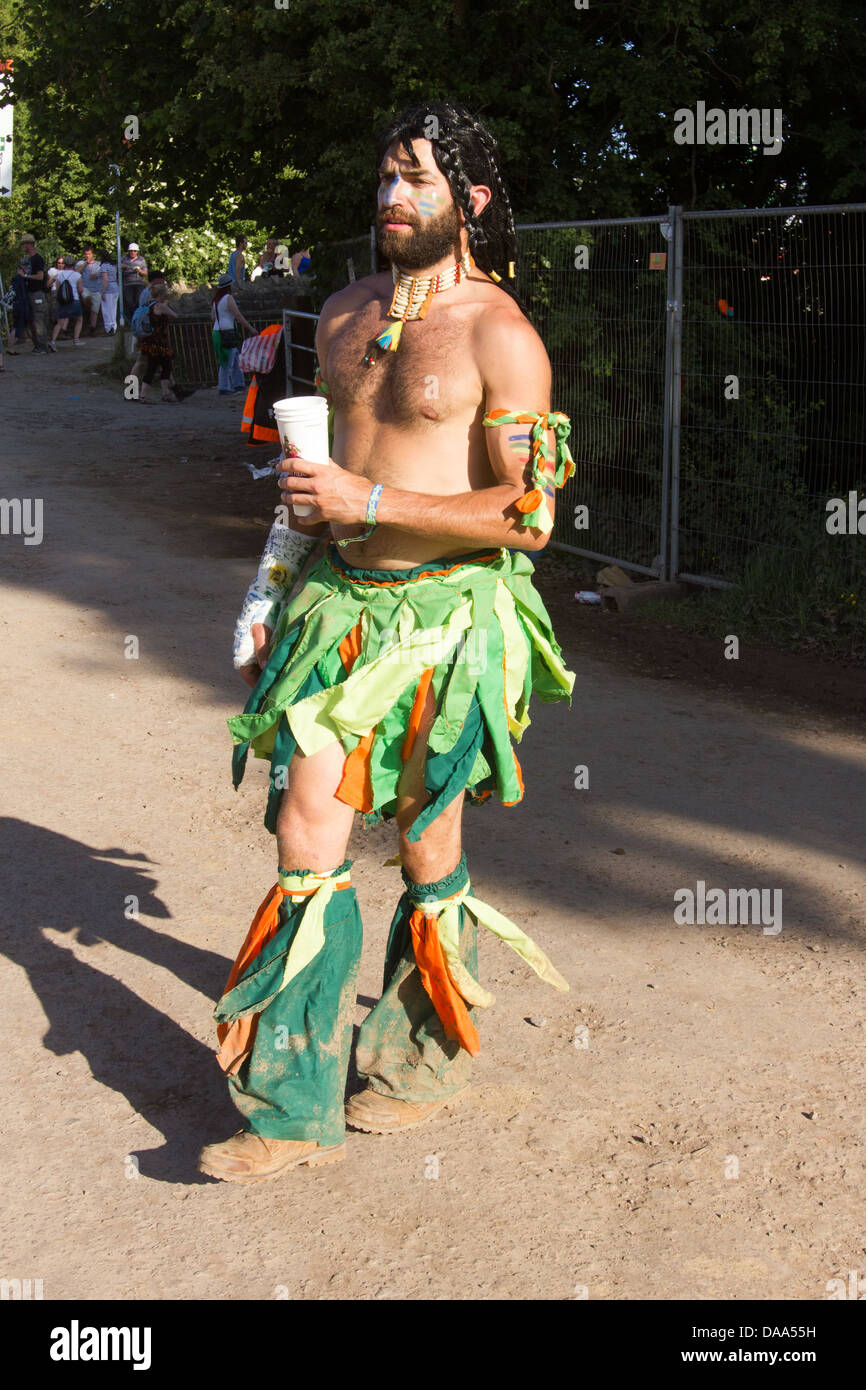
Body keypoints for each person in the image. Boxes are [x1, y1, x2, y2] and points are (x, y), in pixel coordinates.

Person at [199, 102, 576, 1184]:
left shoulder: (501, 334)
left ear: (474, 201)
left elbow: (527, 515)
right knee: (308, 829)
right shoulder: (342, 312)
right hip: (333, 606)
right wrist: (267, 589)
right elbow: (309, 482)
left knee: (421, 841)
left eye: (414, 177)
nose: (390, 196)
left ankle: (419, 1055)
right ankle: (285, 1102)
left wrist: (371, 496)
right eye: (382, 177)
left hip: (446, 625)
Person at [211, 272, 254, 395]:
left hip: (217, 332)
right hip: (227, 331)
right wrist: (250, 329)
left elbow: (213, 317)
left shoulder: (215, 301)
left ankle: (238, 384)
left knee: (233, 358)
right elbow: (237, 315)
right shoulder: (228, 298)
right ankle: (224, 387)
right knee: (228, 360)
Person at [137, 282, 179, 403]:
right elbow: (175, 315)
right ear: (161, 294)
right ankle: (145, 395)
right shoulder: (161, 306)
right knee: (161, 367)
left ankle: (164, 393)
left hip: (150, 341)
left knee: (158, 366)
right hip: (160, 342)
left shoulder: (149, 305)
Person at [49, 256, 85, 349]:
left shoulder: (60, 275)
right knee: (79, 319)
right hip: (74, 300)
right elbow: (80, 290)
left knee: (60, 322)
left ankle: (53, 341)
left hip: (63, 301)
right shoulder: (77, 275)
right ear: (73, 264)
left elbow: (57, 289)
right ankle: (76, 339)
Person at [20, 234, 48, 353]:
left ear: (30, 244)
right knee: (32, 320)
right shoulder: (28, 260)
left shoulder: (37, 259)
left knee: (38, 319)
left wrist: (25, 275)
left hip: (37, 293)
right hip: (30, 293)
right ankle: (37, 345)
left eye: (24, 244)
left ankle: (43, 346)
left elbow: (40, 276)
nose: (22, 246)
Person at [79, 245, 106, 336]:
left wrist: (97, 275)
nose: (87, 256)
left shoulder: (98, 264)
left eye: (89, 254)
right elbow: (76, 272)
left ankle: (92, 328)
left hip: (96, 289)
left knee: (95, 310)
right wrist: (85, 264)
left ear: (92, 254)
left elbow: (104, 274)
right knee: (86, 298)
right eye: (86, 254)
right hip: (86, 288)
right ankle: (87, 306)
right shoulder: (81, 263)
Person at [4, 261, 31, 353]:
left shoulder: (18, 279)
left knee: (17, 327)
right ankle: (10, 347)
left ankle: (10, 347)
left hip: (19, 305)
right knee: (18, 327)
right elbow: (22, 294)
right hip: (20, 306)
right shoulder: (19, 279)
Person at [121, 242, 148, 318]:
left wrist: (139, 271)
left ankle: (138, 317)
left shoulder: (141, 259)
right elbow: (117, 267)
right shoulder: (124, 258)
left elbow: (145, 273)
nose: (132, 252)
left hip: (139, 283)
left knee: (139, 301)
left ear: (137, 251)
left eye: (134, 251)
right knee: (129, 301)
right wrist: (124, 266)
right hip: (127, 283)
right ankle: (132, 317)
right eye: (131, 251)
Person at [99, 251, 119, 333]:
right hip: (115, 288)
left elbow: (105, 279)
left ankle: (109, 327)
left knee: (107, 309)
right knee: (113, 309)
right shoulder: (113, 266)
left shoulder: (104, 266)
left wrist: (103, 292)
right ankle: (114, 327)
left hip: (108, 290)